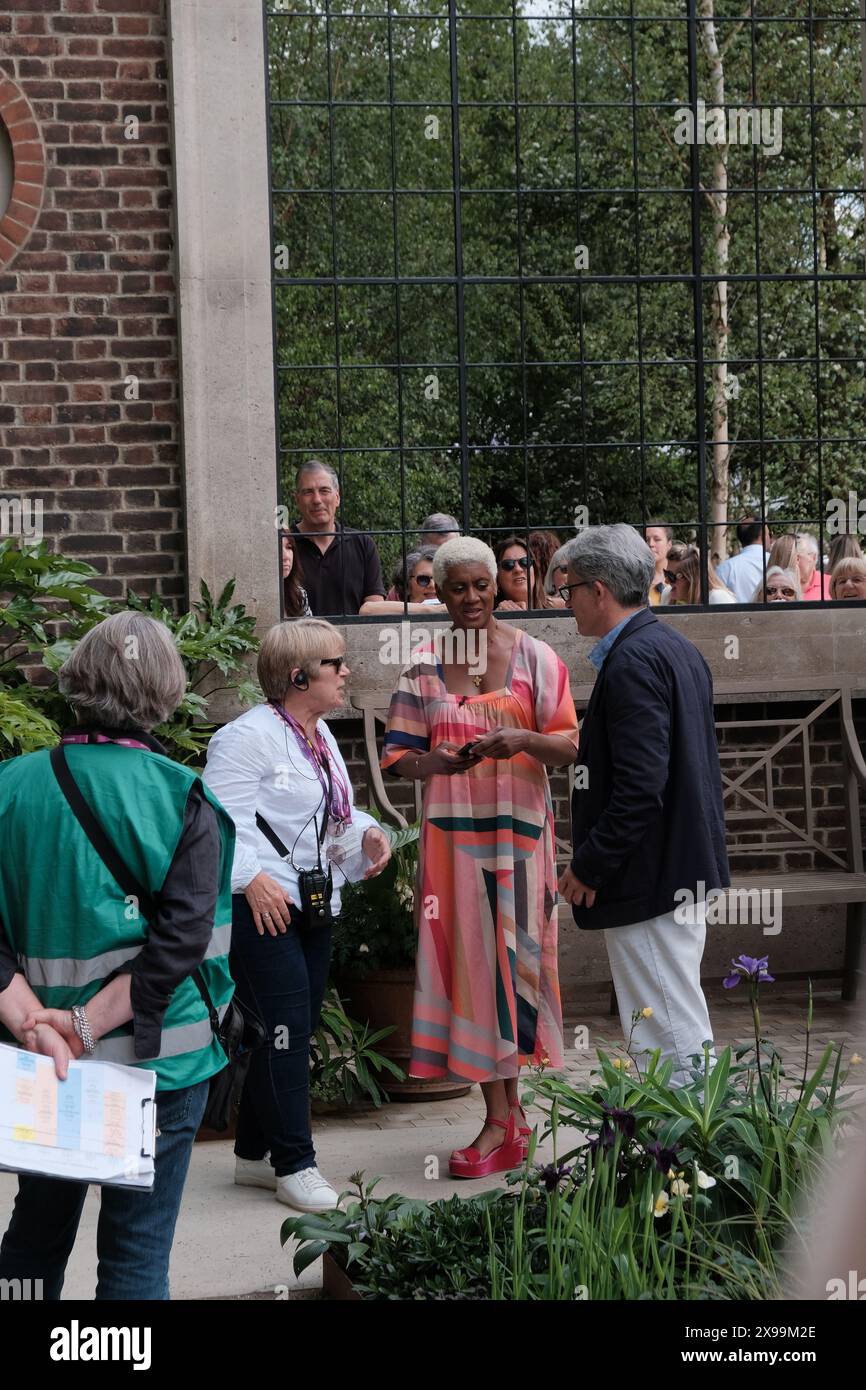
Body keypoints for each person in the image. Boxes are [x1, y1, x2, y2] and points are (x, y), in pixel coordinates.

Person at [0, 612, 236, 1300]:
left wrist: (35, 1024)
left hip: (44, 1067)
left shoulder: (10, 787)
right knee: (136, 1255)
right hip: (162, 1061)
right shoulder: (183, 797)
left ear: (78, 678)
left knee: (35, 1238)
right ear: (165, 691)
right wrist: (85, 1026)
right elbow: (184, 940)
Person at [381, 537, 580, 1178]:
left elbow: (572, 744)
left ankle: (507, 1122)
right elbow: (398, 756)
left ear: (499, 586)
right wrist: (434, 761)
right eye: (456, 587)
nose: (470, 598)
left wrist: (521, 738)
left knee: (515, 967)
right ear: (436, 593)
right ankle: (503, 1121)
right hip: (453, 845)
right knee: (471, 967)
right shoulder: (421, 667)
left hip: (521, 840)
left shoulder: (537, 658)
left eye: (481, 585)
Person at [202, 619, 391, 1213]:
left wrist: (369, 836)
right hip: (261, 905)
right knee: (283, 1027)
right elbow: (217, 823)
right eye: (336, 663)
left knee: (291, 1026)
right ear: (298, 675)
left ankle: (253, 1155)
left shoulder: (320, 736)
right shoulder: (244, 737)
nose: (346, 672)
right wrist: (250, 879)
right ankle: (296, 1164)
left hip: (311, 903)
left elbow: (337, 815)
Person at [557, 525, 729, 1086]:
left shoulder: (633, 661)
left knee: (666, 1036)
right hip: (673, 871)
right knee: (674, 1019)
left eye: (570, 589)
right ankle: (689, 1157)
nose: (567, 602)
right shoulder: (673, 647)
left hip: (648, 878)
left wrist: (590, 864)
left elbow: (639, 787)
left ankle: (692, 1160)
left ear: (599, 589)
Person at [289, 461, 385, 616]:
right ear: (297, 499)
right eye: (308, 492)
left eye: (324, 491)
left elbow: (374, 610)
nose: (317, 500)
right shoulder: (285, 545)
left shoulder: (362, 544)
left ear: (337, 497)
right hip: (299, 639)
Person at [359, 546, 447, 616]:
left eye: (439, 578)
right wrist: (432, 609)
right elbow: (367, 610)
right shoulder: (397, 610)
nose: (432, 585)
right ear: (407, 584)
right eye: (423, 580)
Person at [715, 517, 772, 602]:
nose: (770, 539)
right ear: (762, 535)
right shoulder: (777, 561)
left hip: (736, 615)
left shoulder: (725, 568)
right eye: (769, 534)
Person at [665, 549, 736, 605]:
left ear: (692, 579)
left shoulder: (718, 598)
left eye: (671, 576)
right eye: (665, 573)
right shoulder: (668, 595)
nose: (666, 581)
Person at [494, 534, 542, 611]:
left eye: (525, 562)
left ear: (535, 571)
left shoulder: (562, 607)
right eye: (508, 564)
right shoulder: (489, 617)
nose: (518, 569)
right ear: (497, 578)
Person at [280, 528, 312, 618]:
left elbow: (308, 630)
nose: (286, 556)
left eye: (289, 547)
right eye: (278, 548)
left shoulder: (299, 594)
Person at [795, 532, 831, 602]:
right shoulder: (780, 586)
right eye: (790, 557)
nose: (793, 561)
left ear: (813, 558)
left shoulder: (830, 583)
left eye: (798, 557)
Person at [644, 522, 673, 606]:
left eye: (657, 539)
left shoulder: (680, 578)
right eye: (647, 540)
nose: (650, 544)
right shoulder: (639, 578)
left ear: (669, 544)